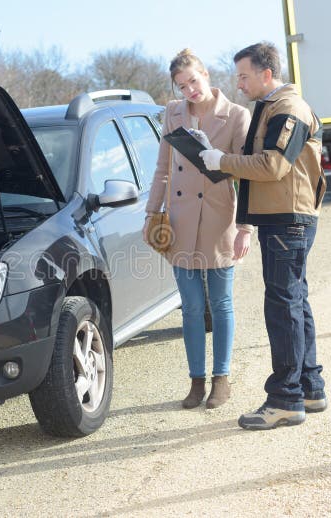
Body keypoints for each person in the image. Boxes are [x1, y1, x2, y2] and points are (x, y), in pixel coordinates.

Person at [199, 42, 327, 430]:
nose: (239, 84)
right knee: (294, 302)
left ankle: (285, 399)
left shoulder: (288, 109)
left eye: (244, 76)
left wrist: (222, 161)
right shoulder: (273, 106)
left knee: (283, 307)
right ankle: (309, 388)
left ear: (266, 74)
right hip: (283, 217)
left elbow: (272, 165)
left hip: (287, 220)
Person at [144, 48, 253, 409]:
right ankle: (196, 381)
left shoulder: (236, 115)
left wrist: (245, 228)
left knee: (220, 304)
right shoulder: (173, 113)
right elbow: (162, 168)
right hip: (181, 221)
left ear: (205, 74)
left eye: (193, 81)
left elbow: (247, 175)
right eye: (182, 86)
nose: (190, 90)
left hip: (220, 218)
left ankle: (221, 379)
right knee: (191, 307)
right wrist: (151, 213)